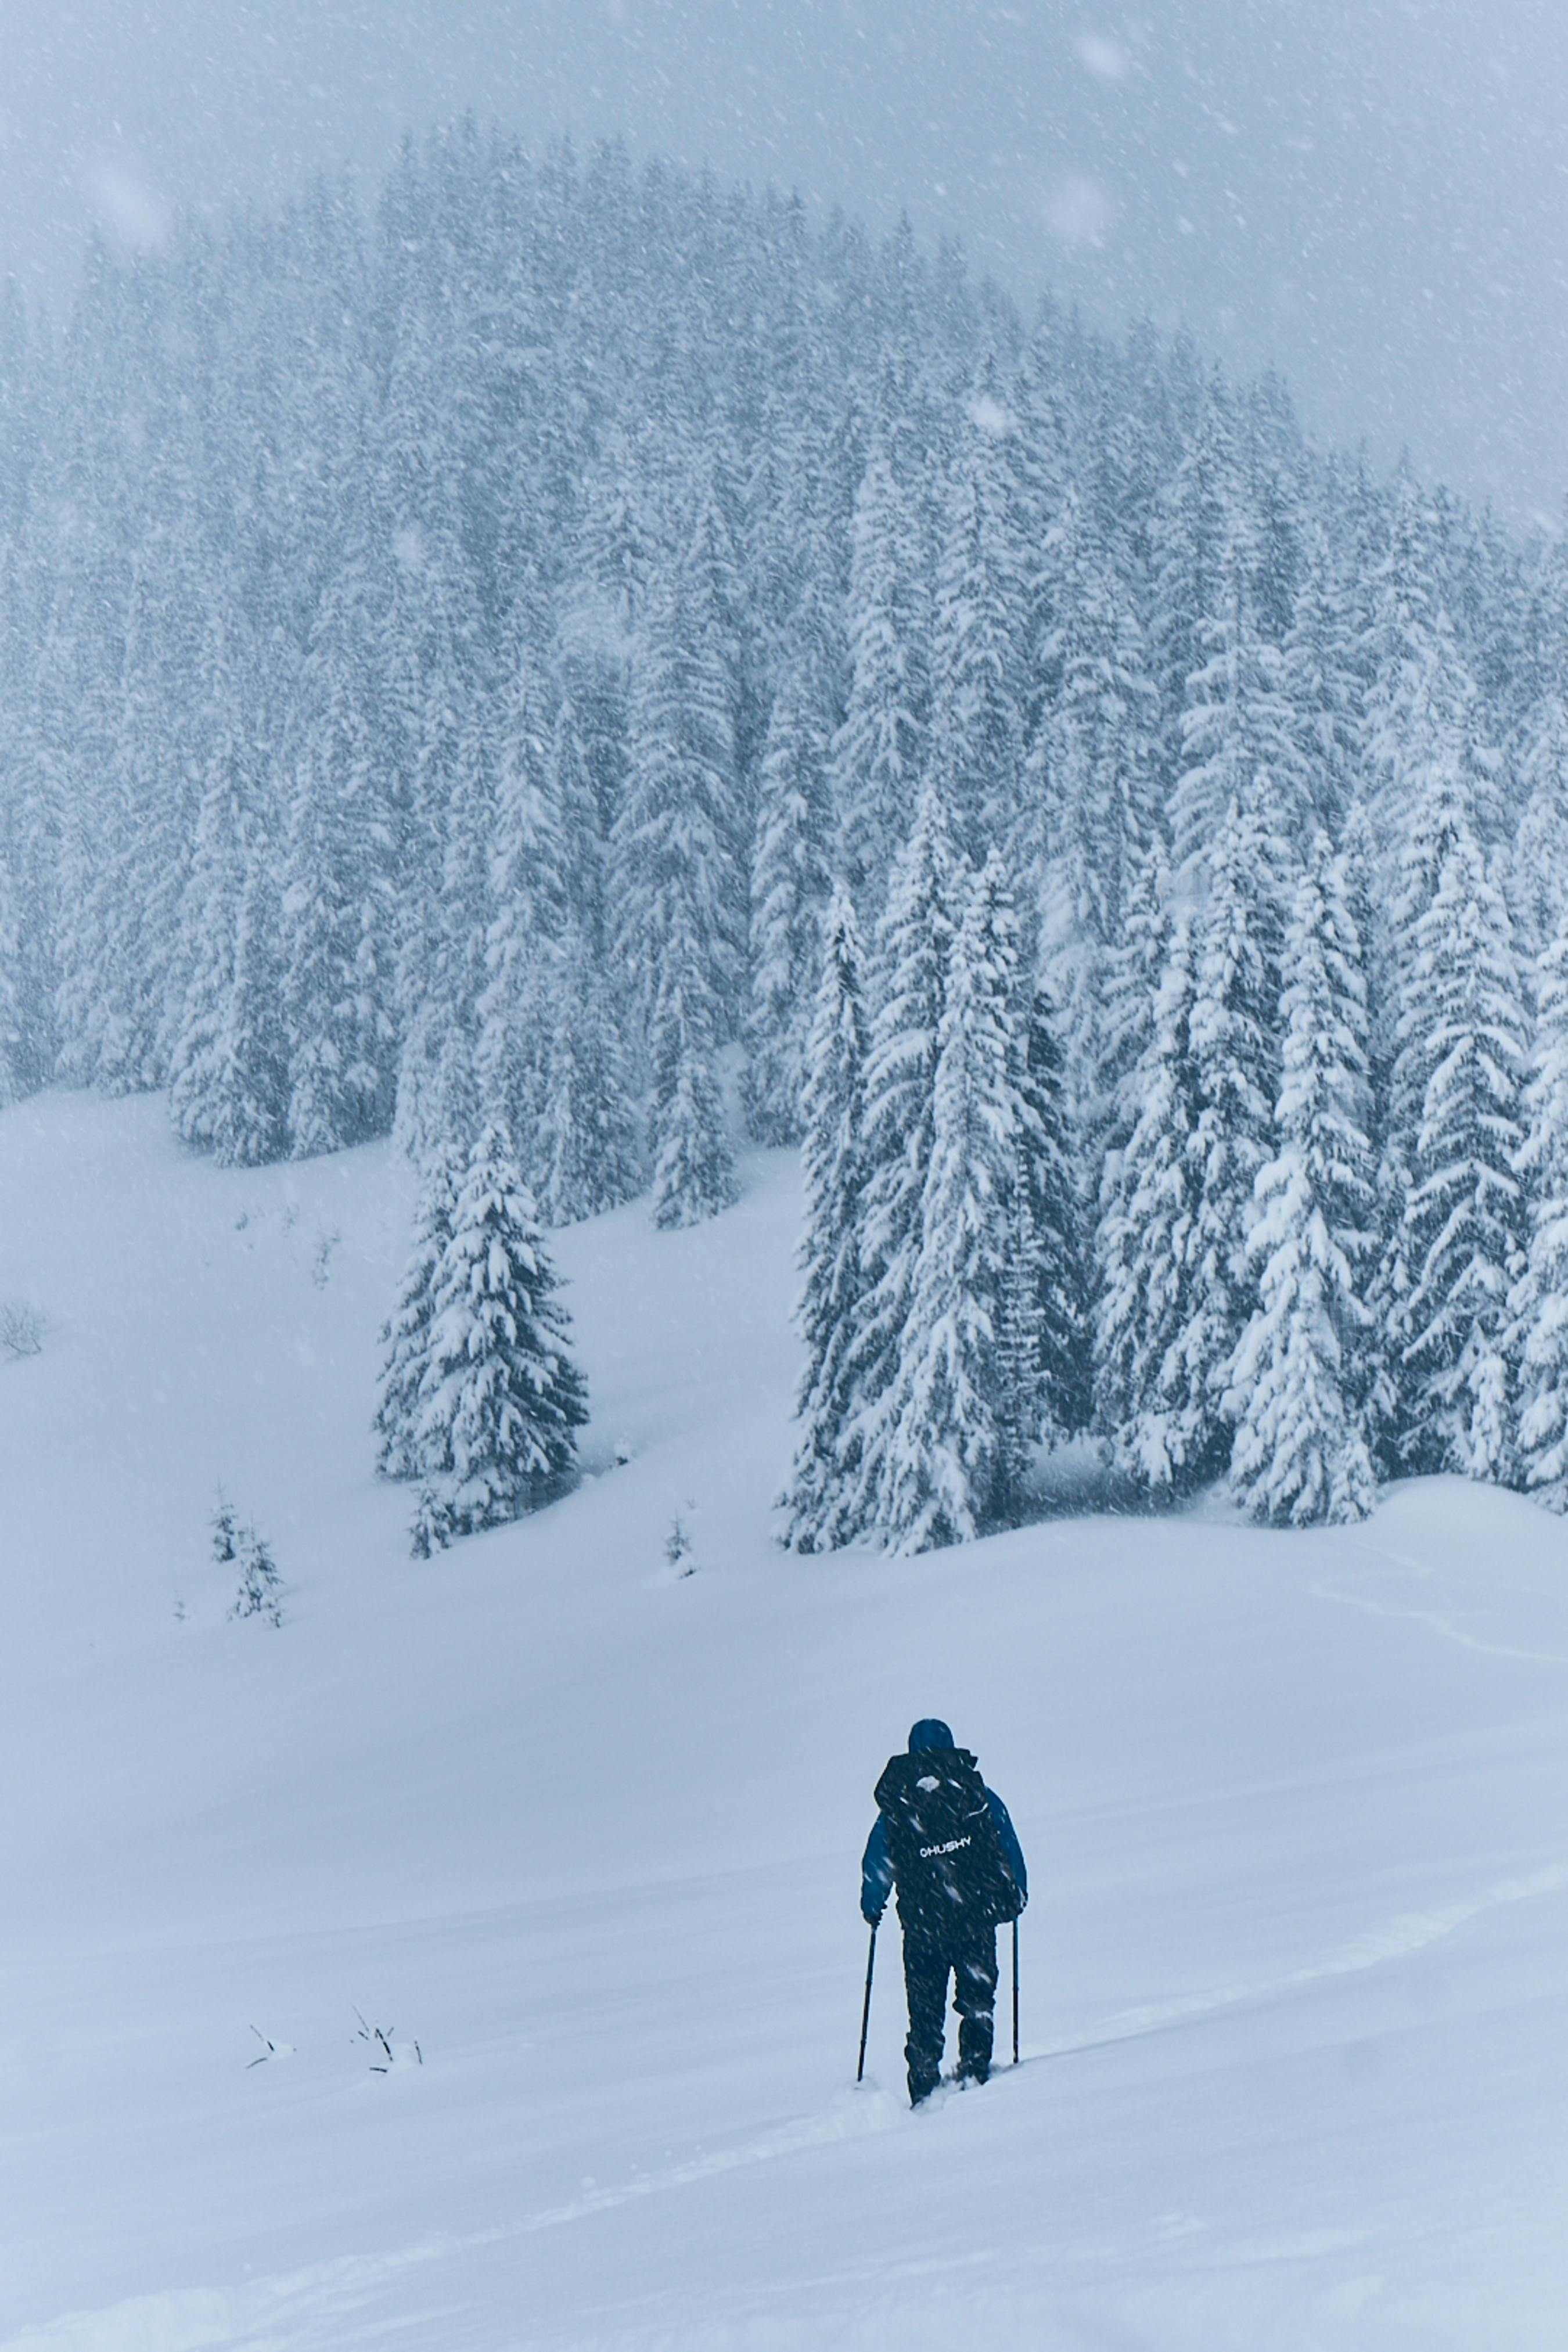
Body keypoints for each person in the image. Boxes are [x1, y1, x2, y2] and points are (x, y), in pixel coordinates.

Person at [861, 1717, 1027, 2106]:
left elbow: (877, 1863)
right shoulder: (976, 1794)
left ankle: (924, 2092)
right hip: (975, 1921)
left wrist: (873, 1906)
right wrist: (1017, 1891)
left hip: (923, 1931)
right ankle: (974, 2075)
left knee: (924, 2016)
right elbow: (1007, 1843)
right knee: (977, 2003)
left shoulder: (899, 1805)